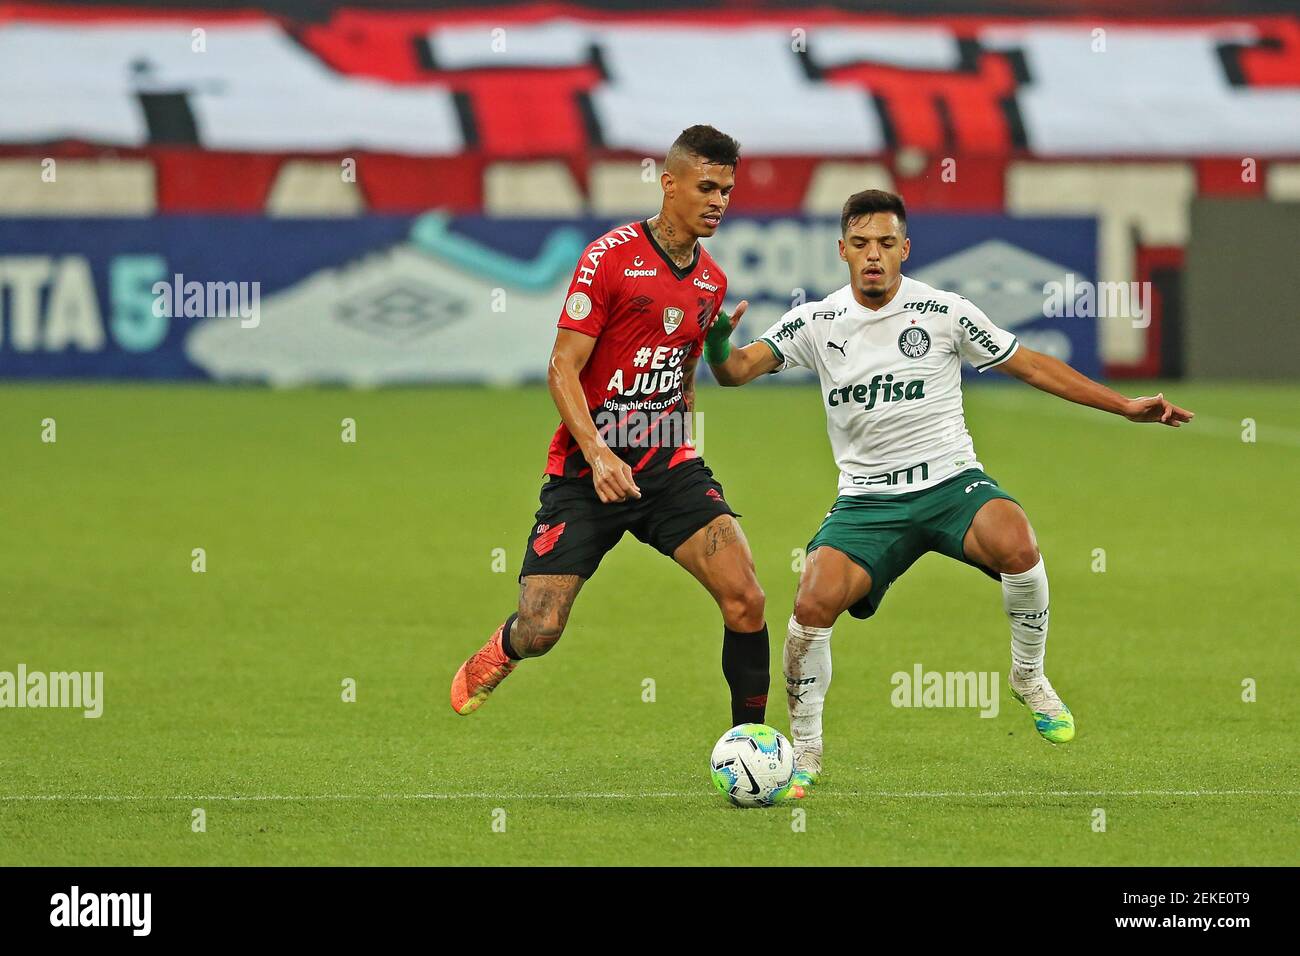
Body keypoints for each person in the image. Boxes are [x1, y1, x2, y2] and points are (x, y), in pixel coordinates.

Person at [704, 188, 1194, 790]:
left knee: (1018, 542)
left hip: (949, 483)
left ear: (905, 248)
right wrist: (717, 342)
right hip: (868, 503)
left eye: (886, 243)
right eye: (861, 244)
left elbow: (1032, 365)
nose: (874, 255)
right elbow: (734, 374)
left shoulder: (944, 312)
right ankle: (804, 754)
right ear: (842, 251)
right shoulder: (816, 321)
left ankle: (1027, 675)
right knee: (810, 603)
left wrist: (1123, 406)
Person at [450, 125, 772, 734]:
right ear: (668, 183)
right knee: (541, 629)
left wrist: (686, 433)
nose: (718, 201)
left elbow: (692, 368)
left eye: (727, 189)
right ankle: (505, 648)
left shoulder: (711, 282)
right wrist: (598, 453)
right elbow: (561, 367)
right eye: (706, 186)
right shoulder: (609, 258)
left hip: (666, 467)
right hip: (586, 471)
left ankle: (751, 743)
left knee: (746, 598)